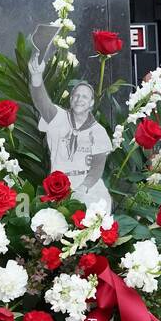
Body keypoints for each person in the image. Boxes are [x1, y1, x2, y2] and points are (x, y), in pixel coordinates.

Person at [28, 48, 112, 210]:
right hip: (58, 187)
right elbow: (41, 102)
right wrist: (36, 76)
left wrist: (83, 188)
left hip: (89, 190)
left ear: (91, 103)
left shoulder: (98, 131)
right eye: (76, 95)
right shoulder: (58, 117)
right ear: (71, 99)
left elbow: (97, 167)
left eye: (85, 96)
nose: (79, 99)